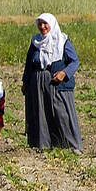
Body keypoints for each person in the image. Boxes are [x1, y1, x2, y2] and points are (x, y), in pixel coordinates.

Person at [22, 12, 82, 152]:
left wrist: (64, 73)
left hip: (56, 82)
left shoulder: (62, 41)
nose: (42, 27)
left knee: (61, 113)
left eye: (45, 24)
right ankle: (44, 145)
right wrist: (25, 81)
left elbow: (74, 61)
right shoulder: (36, 42)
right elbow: (29, 64)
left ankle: (71, 145)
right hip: (37, 83)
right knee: (41, 112)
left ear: (52, 24)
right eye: (40, 24)